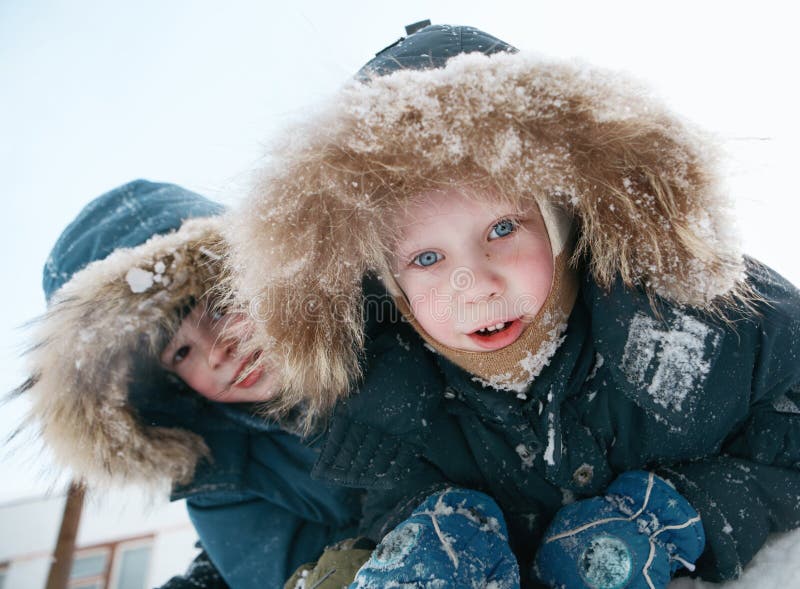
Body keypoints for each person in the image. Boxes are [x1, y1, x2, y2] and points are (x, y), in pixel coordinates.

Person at [226, 23, 800, 589]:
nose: (473, 284)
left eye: (502, 228)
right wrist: (426, 528)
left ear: (563, 219)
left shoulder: (701, 323)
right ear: (388, 290)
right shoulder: (387, 411)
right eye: (426, 259)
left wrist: (687, 513)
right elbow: (386, 502)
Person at [19, 179, 363, 588]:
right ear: (166, 386)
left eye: (220, 308)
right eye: (181, 353)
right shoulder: (223, 476)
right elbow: (287, 571)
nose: (217, 352)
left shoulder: (376, 332)